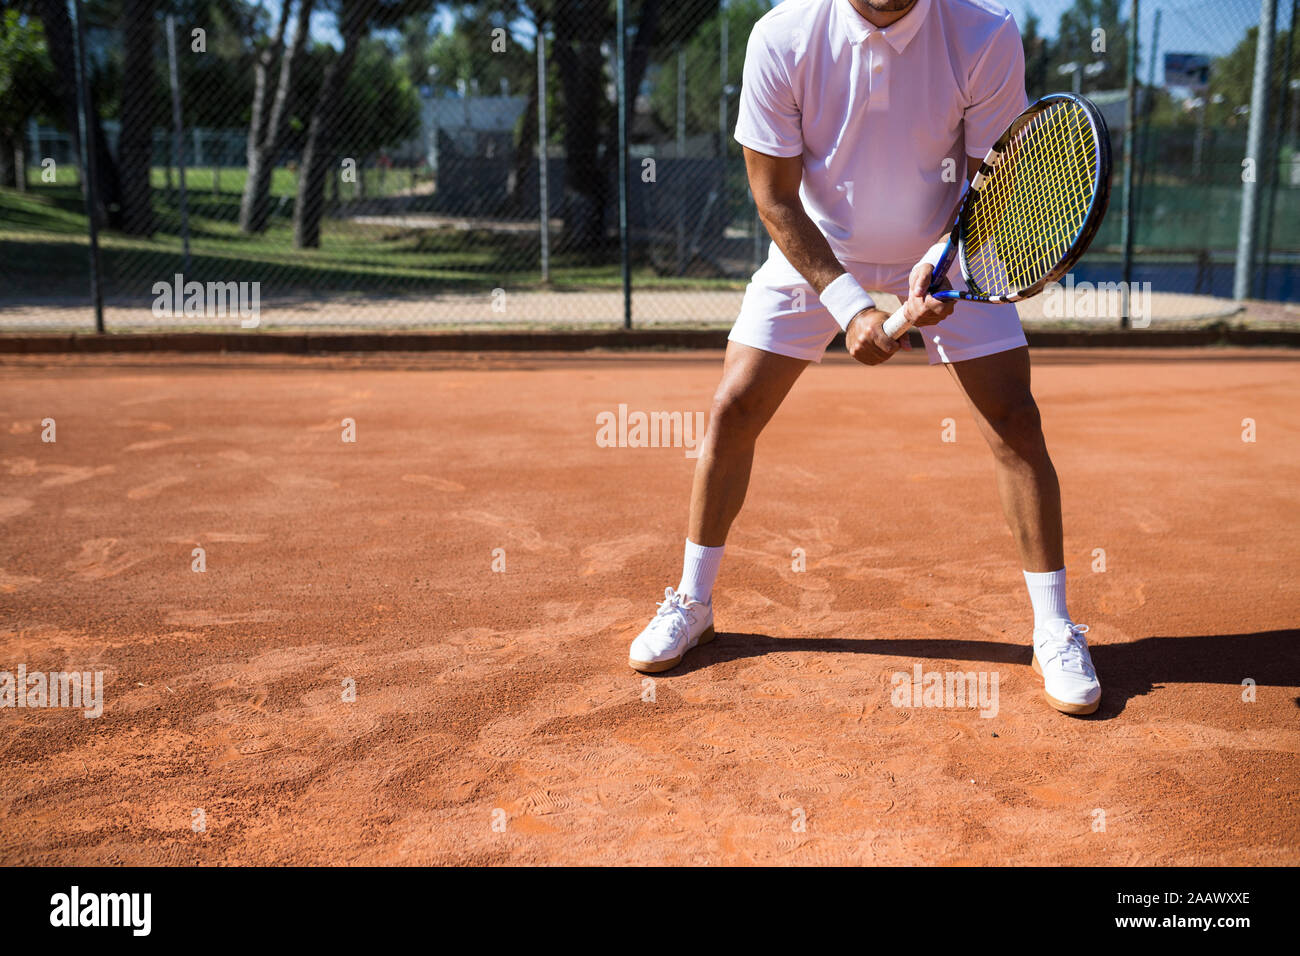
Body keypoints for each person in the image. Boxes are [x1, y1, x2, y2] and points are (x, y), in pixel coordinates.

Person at [627, 0, 1101, 716]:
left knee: (1015, 419)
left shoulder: (987, 32)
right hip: (817, 250)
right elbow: (774, 198)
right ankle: (692, 602)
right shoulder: (781, 36)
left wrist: (947, 261)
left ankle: (1053, 627)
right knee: (735, 407)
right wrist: (852, 306)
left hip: (950, 245)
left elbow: (995, 180)